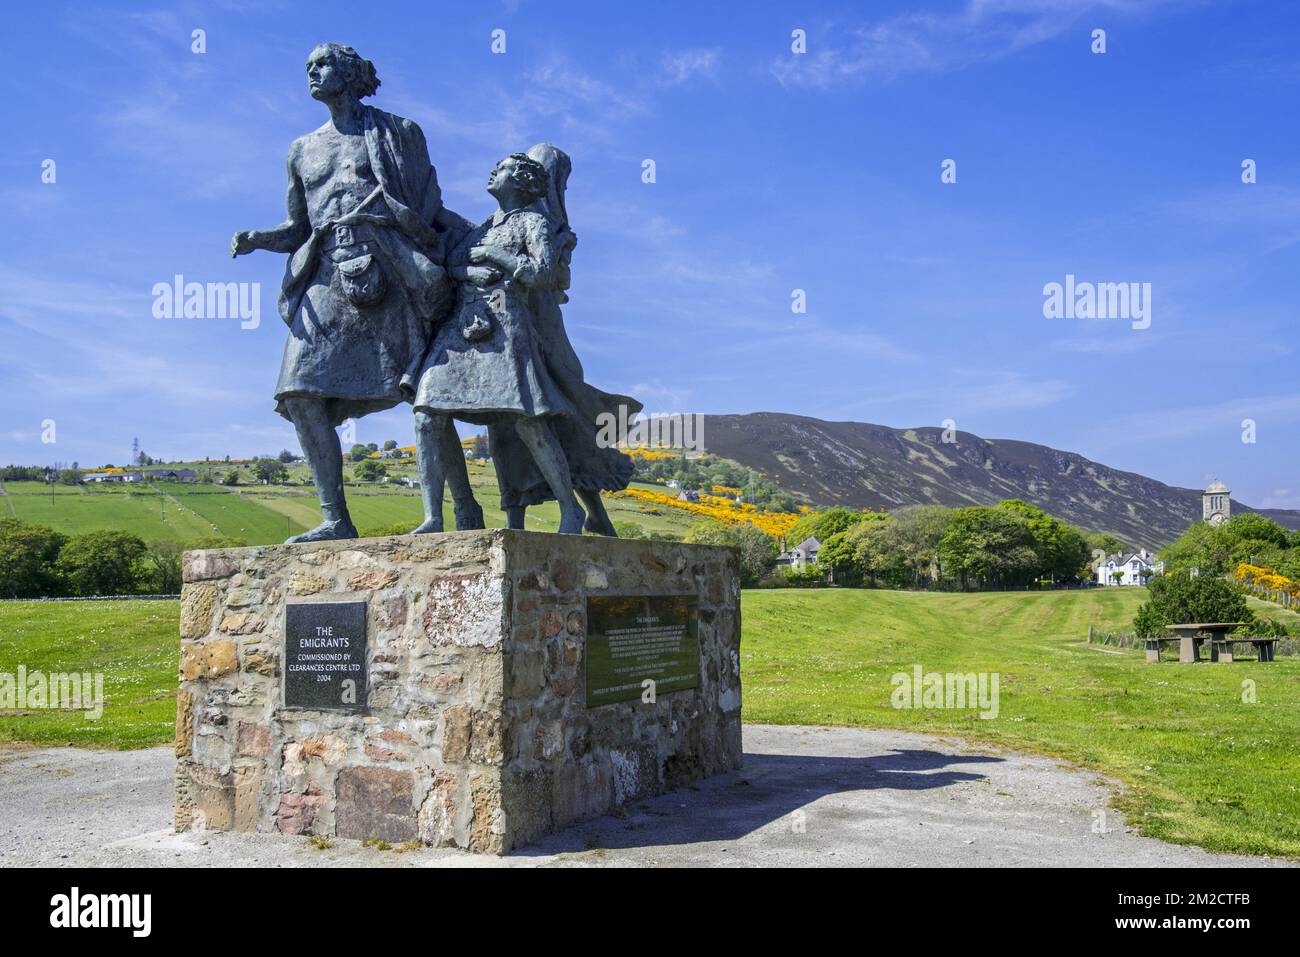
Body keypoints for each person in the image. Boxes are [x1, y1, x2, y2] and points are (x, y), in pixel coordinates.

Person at [231, 42, 480, 542]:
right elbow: (298, 227)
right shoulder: (301, 149)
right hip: (325, 272)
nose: (312, 73)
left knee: (425, 395)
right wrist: (261, 239)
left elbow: (426, 202)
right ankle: (335, 519)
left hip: (390, 267)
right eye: (307, 67)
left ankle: (465, 511)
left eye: (322, 64)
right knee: (299, 393)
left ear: (348, 72)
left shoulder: (399, 132)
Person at [410, 153, 585, 533]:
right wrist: (470, 269)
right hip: (464, 324)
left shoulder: (534, 223)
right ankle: (433, 517)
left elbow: (541, 275)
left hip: (507, 322)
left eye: (502, 168)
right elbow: (453, 267)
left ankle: (571, 509)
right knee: (427, 413)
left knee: (527, 421)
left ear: (522, 180)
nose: (493, 171)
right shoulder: (482, 226)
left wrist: (495, 255)